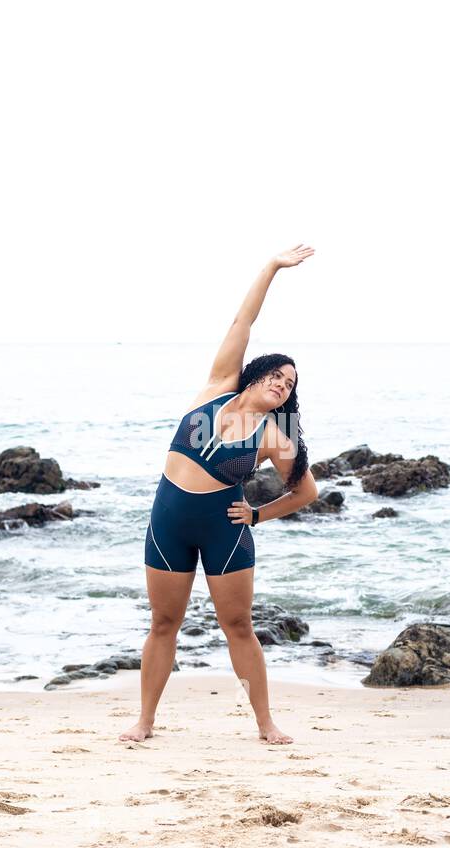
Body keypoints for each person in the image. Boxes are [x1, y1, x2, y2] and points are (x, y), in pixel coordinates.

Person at [120, 245, 320, 744]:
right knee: (163, 623)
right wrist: (271, 267)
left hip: (223, 530)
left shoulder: (277, 434)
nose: (281, 384)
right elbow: (242, 321)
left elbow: (307, 490)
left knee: (238, 627)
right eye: (276, 374)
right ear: (257, 374)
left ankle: (265, 723)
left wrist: (256, 516)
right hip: (167, 523)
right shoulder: (218, 387)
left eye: (289, 383)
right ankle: (144, 722)